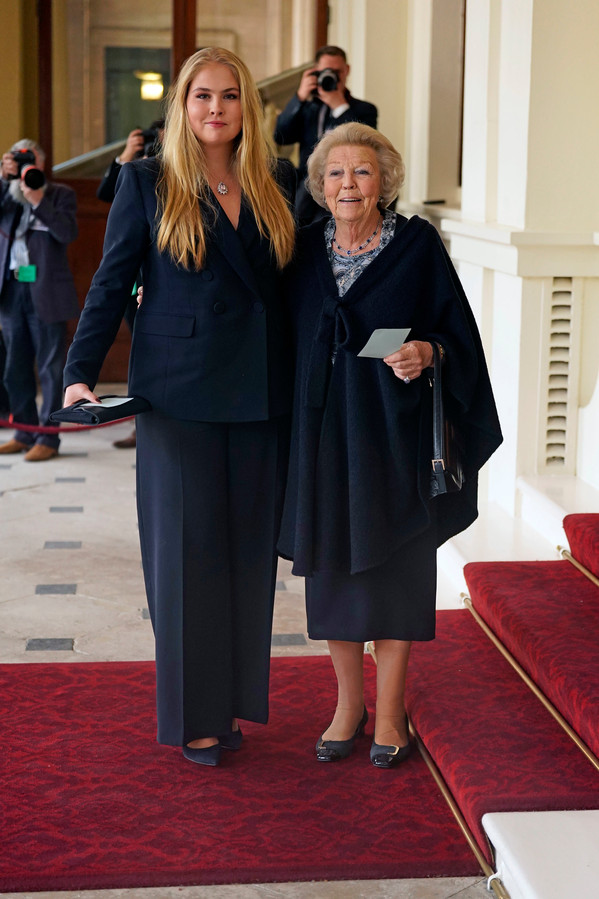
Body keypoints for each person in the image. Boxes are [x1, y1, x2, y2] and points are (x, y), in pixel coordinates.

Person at [62, 48, 296, 766]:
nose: (215, 108)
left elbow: (295, 288)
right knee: (187, 557)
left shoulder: (276, 180)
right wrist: (77, 374)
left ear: (247, 106)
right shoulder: (146, 180)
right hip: (178, 392)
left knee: (245, 557)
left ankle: (229, 702)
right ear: (182, 105)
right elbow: (110, 283)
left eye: (229, 95)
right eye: (202, 95)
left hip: (260, 391)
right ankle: (195, 717)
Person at [277, 123, 502, 768]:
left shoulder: (416, 245)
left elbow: (458, 336)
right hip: (322, 440)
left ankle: (392, 712)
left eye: (363, 171)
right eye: (336, 173)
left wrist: (427, 352)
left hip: (394, 440)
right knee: (333, 576)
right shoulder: (300, 249)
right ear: (320, 185)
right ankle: (348, 707)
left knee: (398, 574)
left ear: (385, 182)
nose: (348, 184)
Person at [0, 139, 79, 461]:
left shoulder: (60, 194)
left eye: (30, 160)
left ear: (41, 164)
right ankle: (24, 431)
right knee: (14, 367)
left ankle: (48, 438)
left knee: (50, 368)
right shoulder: (6, 194)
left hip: (46, 290)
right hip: (11, 289)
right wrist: (4, 179)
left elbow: (67, 233)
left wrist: (37, 200)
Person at [96, 120, 165, 450]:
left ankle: (154, 421)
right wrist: (126, 157)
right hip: (133, 281)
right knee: (142, 351)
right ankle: (141, 422)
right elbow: (104, 193)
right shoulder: (137, 172)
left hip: (168, 282)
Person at [274, 45, 377, 225]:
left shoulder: (364, 110)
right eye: (326, 72)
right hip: (306, 185)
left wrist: (340, 108)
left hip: (344, 183)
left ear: (347, 71)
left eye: (337, 72)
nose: (332, 77)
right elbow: (281, 136)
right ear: (316, 72)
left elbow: (365, 144)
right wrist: (299, 97)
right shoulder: (307, 109)